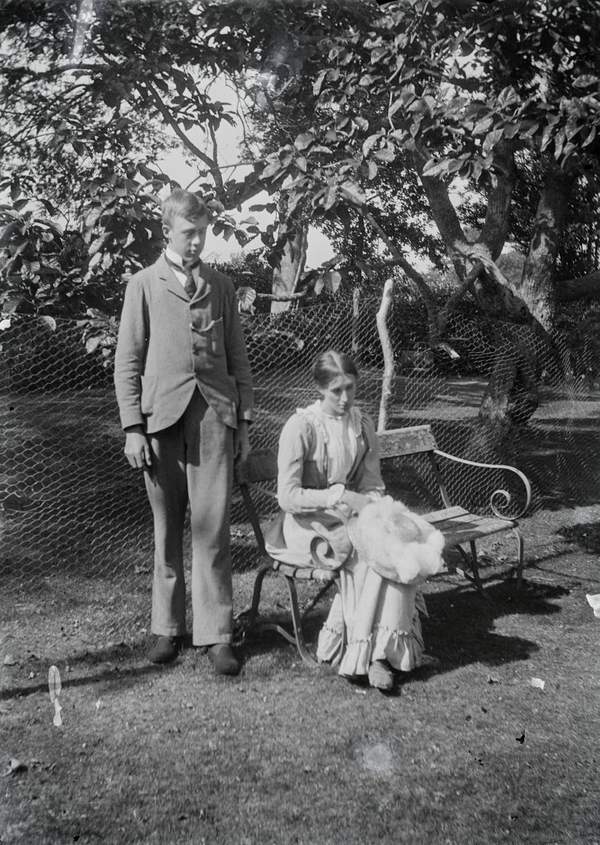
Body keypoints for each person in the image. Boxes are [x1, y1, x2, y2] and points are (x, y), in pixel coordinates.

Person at [114, 189, 253, 675]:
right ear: (168, 231)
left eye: (203, 232)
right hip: (160, 422)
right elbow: (127, 361)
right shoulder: (144, 285)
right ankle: (165, 629)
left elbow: (238, 358)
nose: (197, 241)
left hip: (216, 419)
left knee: (212, 529)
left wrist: (245, 422)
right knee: (167, 527)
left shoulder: (221, 285)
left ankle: (216, 634)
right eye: (188, 233)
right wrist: (133, 426)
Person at [272, 350, 432, 691]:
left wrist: (373, 509)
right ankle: (367, 653)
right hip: (305, 527)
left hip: (347, 519)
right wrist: (339, 497)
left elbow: (372, 485)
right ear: (320, 388)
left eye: (351, 389)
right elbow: (288, 497)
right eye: (336, 391)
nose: (345, 399)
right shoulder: (301, 427)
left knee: (394, 545)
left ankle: (380, 654)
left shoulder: (361, 425)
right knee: (367, 555)